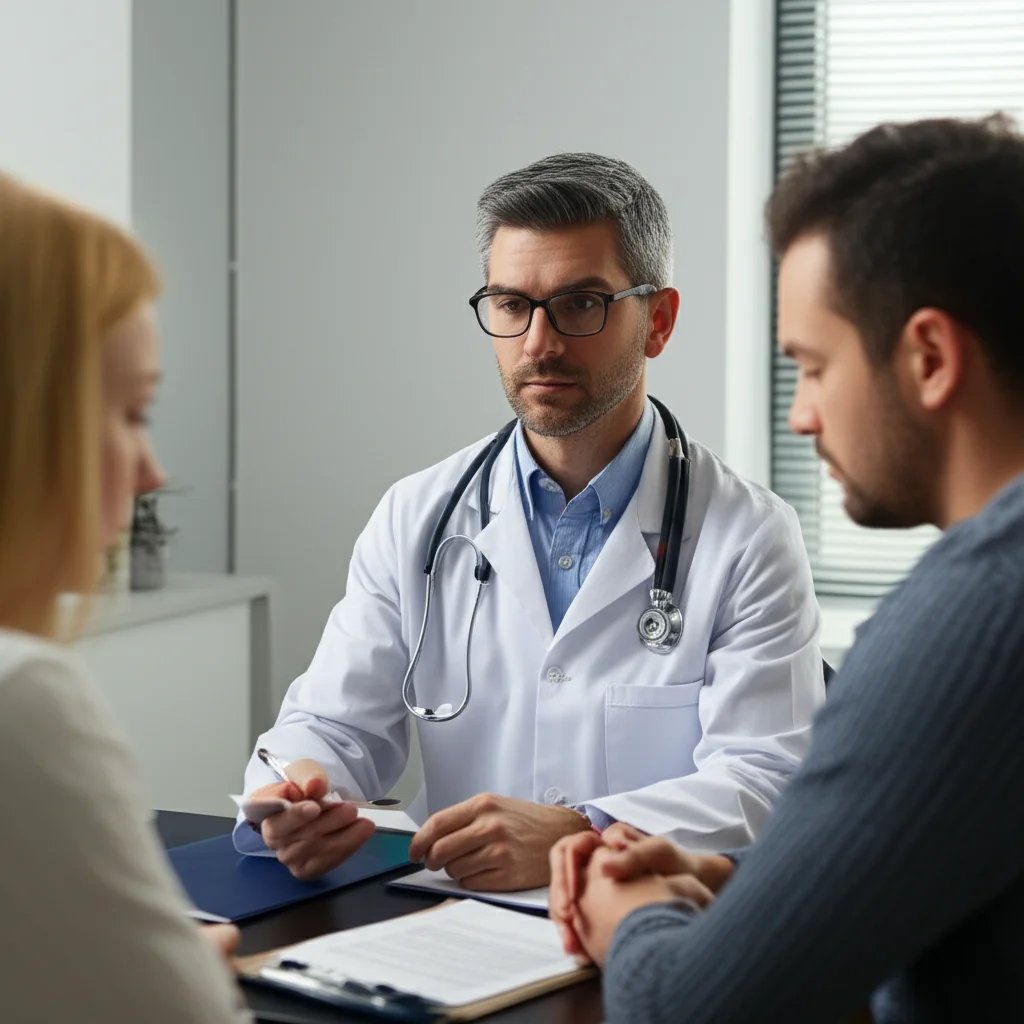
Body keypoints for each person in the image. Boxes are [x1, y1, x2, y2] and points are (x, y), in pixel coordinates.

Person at [237, 153, 824, 890]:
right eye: (512, 305)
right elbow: (334, 722)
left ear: (659, 321)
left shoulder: (749, 535)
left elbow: (768, 777)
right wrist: (301, 790)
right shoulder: (417, 516)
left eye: (581, 305)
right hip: (448, 925)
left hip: (647, 926)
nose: (538, 344)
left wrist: (583, 833)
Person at [549, 113, 1024, 1023]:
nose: (802, 417)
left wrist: (635, 917)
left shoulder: (973, 619)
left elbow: (697, 1009)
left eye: (812, 367)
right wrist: (743, 890)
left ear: (928, 357)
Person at [0, 173, 249, 1022]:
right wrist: (182, 984)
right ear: (26, 421)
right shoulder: (19, 699)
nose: (153, 472)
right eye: (132, 413)